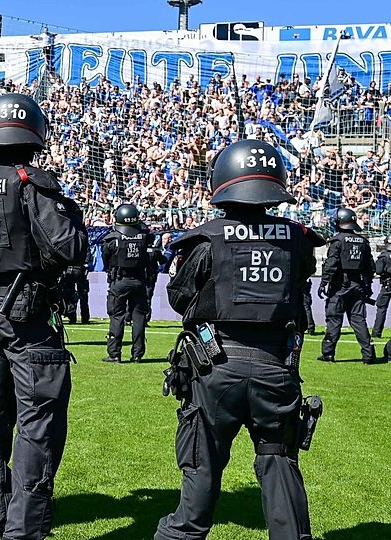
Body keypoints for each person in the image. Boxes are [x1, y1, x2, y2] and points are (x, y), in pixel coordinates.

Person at [156, 138, 322, 540]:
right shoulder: (297, 237)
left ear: (223, 183)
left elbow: (180, 296)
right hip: (276, 369)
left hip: (215, 367)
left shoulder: (206, 238)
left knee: (203, 465)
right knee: (279, 461)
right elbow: (301, 284)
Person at [0, 93, 88, 540]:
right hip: (27, 313)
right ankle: (24, 530)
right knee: (38, 422)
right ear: (32, 136)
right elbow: (68, 246)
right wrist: (69, 213)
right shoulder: (31, 183)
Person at [317, 208, 379, 364]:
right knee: (359, 320)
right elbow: (370, 267)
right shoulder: (363, 242)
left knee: (334, 319)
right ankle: (369, 355)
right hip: (358, 285)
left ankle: (328, 354)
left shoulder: (337, 241)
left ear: (340, 223)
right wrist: (368, 287)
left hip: (340, 286)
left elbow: (331, 265)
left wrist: (324, 283)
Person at [101, 204, 152, 363]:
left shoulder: (112, 239)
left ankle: (114, 353)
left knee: (117, 317)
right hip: (139, 281)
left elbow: (106, 259)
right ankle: (137, 354)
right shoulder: (144, 237)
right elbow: (147, 232)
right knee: (139, 318)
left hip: (119, 281)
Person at [372, 236, 391, 338]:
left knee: (381, 309)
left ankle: (377, 332)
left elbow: (378, 271)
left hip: (387, 286)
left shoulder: (383, 256)